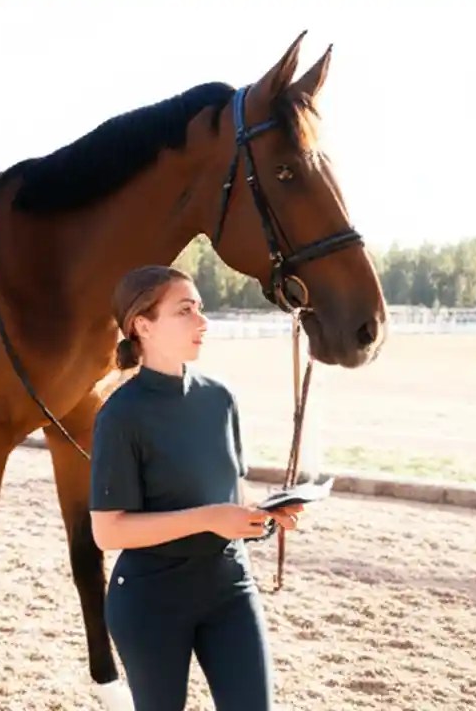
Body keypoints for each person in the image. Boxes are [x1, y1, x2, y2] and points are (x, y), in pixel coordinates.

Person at [89, 265, 303, 711]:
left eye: (200, 308)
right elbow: (108, 532)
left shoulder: (220, 399)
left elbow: (230, 500)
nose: (202, 321)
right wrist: (208, 519)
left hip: (230, 589)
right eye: (184, 310)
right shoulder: (119, 416)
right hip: (151, 600)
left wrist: (261, 517)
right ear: (142, 325)